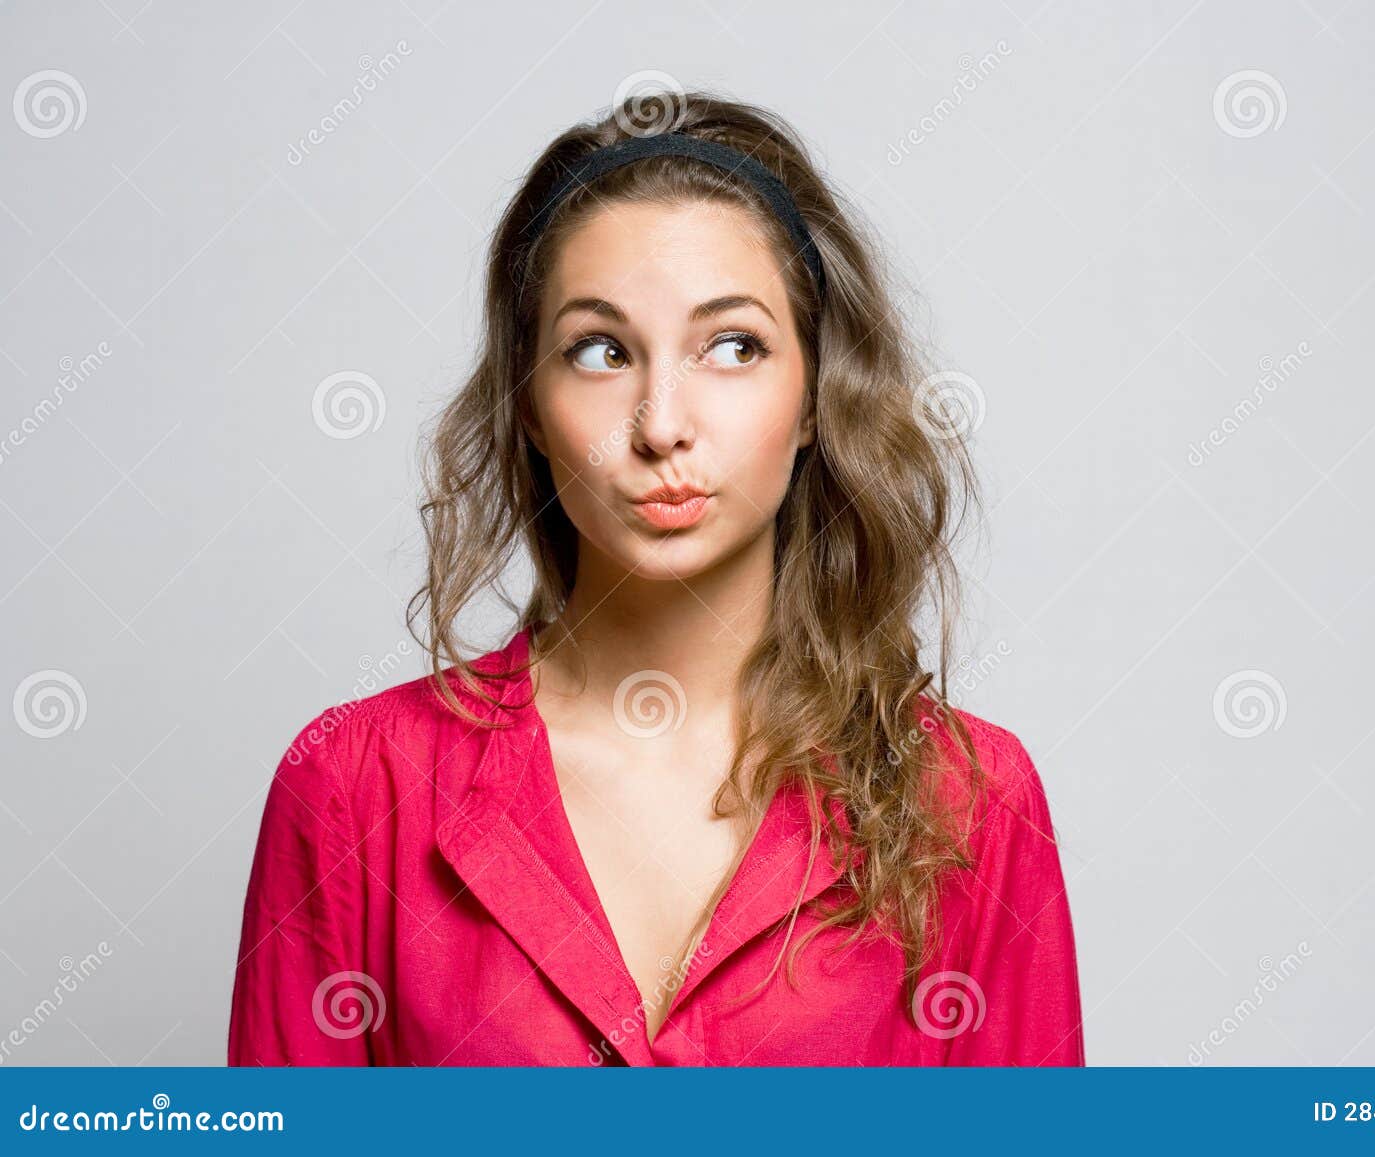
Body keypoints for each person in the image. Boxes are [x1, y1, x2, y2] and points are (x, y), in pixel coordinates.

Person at [227, 91, 1085, 1066]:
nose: (661, 423)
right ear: (531, 406)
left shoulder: (968, 800)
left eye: (733, 346)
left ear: (813, 397)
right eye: (601, 350)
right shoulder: (353, 786)